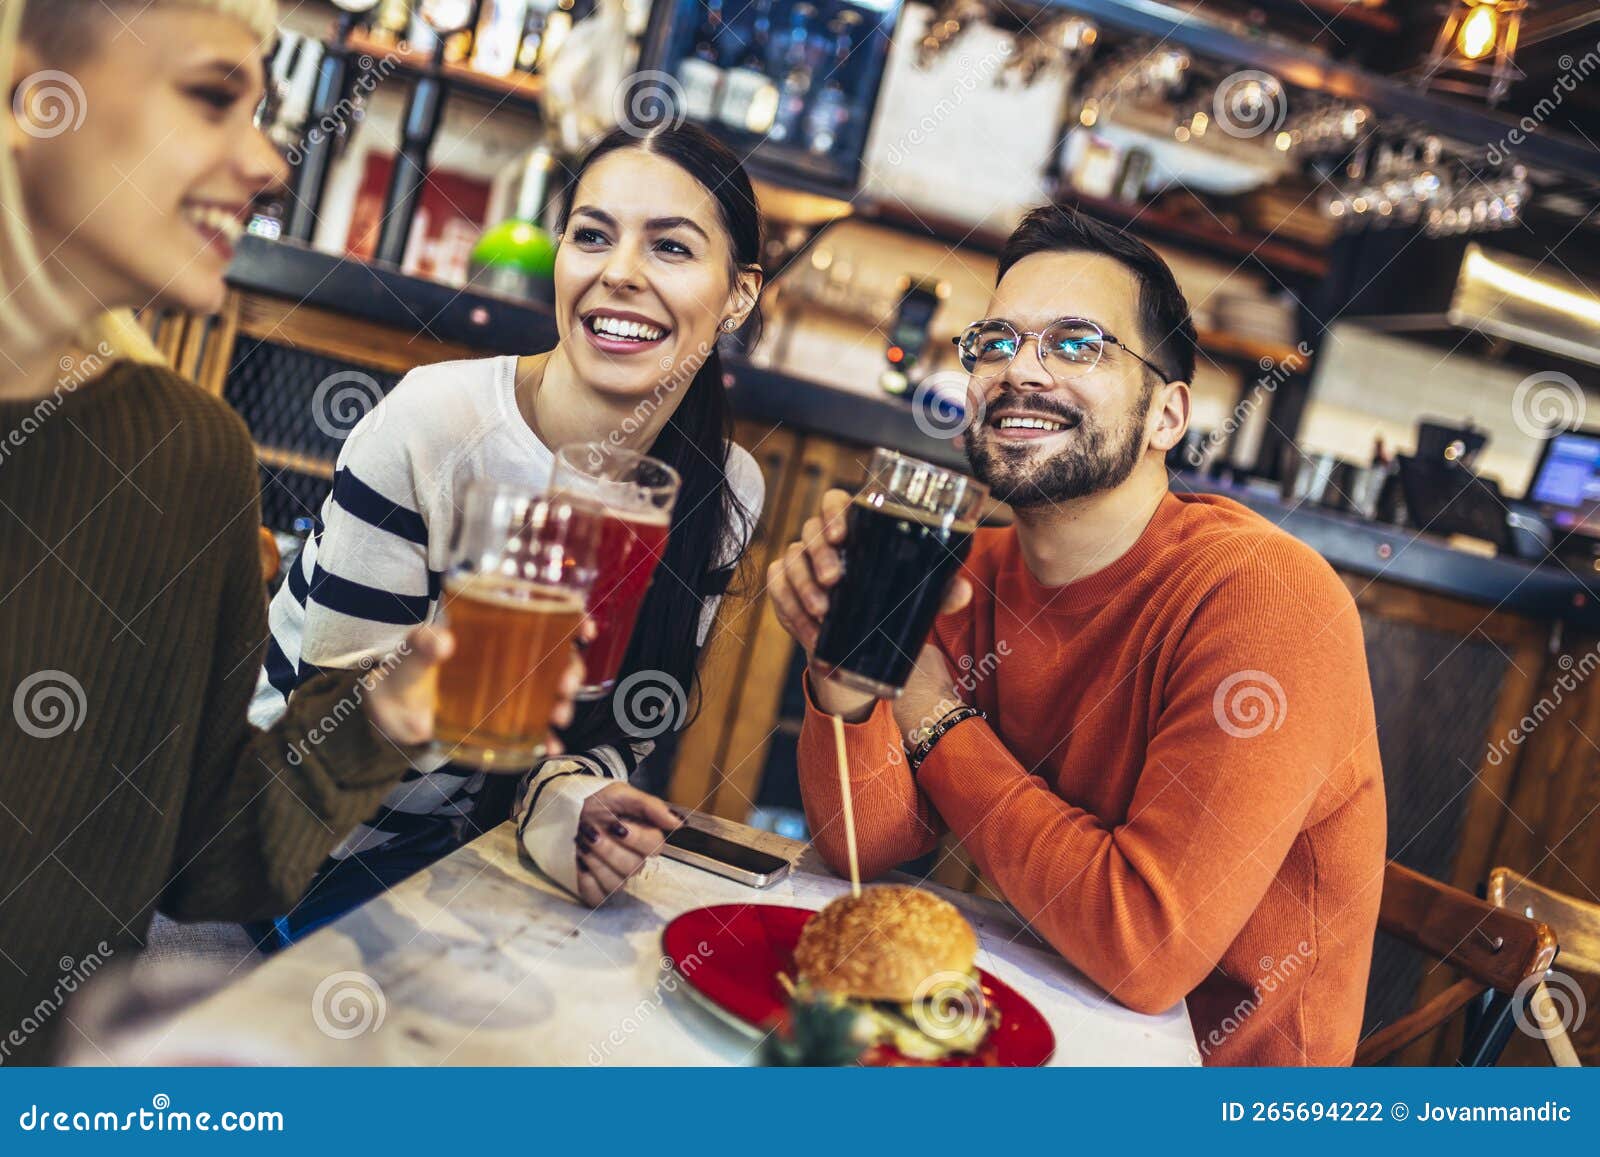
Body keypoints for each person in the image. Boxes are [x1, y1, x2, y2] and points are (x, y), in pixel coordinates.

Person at [0, 0, 579, 1065]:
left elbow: (201, 863)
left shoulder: (184, 457)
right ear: (27, 91)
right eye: (213, 96)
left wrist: (381, 713)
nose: (269, 163)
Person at [768, 207, 1386, 1066]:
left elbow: (1146, 949)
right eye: (994, 342)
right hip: (1027, 1030)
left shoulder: (1264, 596)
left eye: (1075, 344)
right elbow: (866, 849)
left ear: (1167, 416)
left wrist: (926, 699)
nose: (1019, 368)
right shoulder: (971, 563)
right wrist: (848, 667)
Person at [251, 122, 766, 920]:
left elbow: (621, 722)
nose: (619, 273)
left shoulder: (724, 490)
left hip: (468, 865)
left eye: (671, 248)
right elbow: (328, 742)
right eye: (593, 235)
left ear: (738, 295)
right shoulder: (436, 423)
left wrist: (572, 808)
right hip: (289, 853)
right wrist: (460, 680)